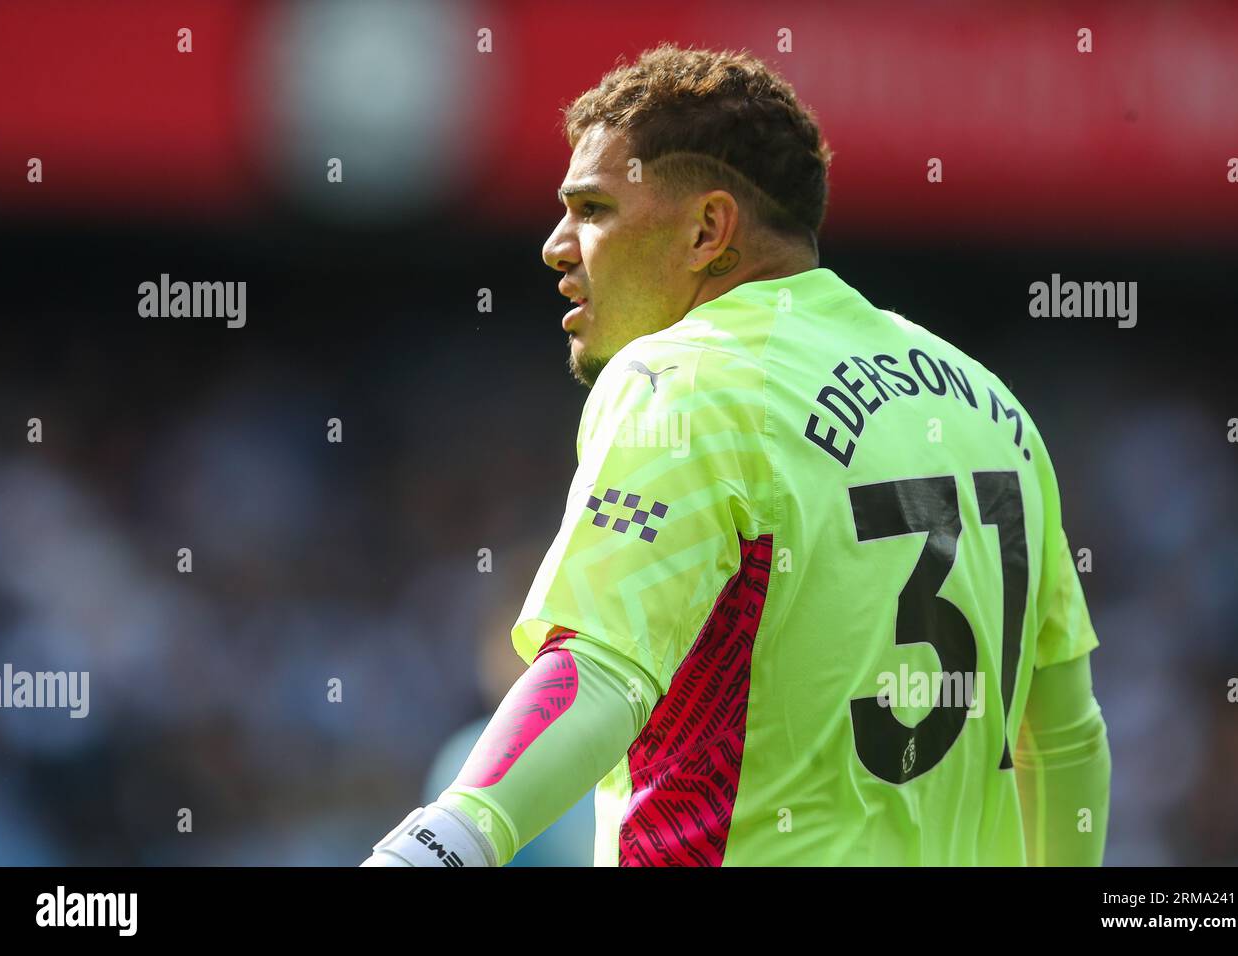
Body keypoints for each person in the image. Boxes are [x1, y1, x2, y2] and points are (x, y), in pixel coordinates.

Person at [364, 43, 1109, 867]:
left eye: (593, 209)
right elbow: (1066, 739)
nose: (557, 244)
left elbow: (601, 669)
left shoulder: (686, 379)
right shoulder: (991, 407)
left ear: (708, 230)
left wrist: (444, 841)